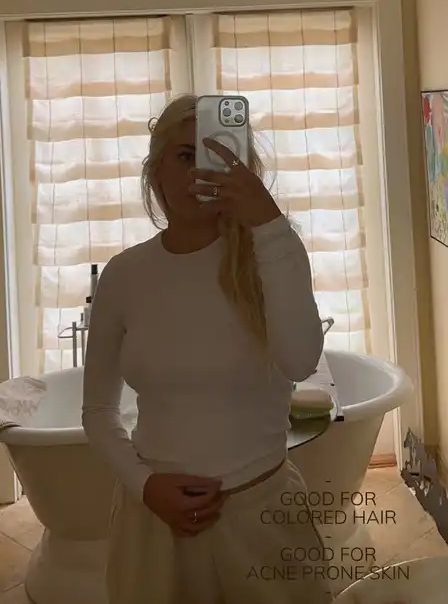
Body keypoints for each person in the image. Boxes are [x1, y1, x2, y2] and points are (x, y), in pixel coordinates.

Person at [82, 93, 334, 603]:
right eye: (184, 155)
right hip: (153, 521)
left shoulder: (273, 255)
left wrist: (269, 225)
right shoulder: (124, 276)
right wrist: (145, 486)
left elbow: (301, 361)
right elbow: (98, 410)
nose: (201, 169)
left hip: (263, 516)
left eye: (218, 154)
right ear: (155, 173)